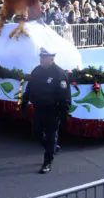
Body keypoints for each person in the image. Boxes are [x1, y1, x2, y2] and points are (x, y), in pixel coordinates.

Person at [21, 46, 73, 174]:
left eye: (44, 57)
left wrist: (63, 114)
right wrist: (24, 102)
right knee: (36, 134)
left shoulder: (59, 74)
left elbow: (65, 96)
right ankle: (53, 148)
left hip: (53, 111)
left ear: (52, 58)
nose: (41, 60)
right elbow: (30, 87)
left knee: (50, 136)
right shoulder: (37, 70)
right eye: (41, 57)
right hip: (39, 109)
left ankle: (47, 162)